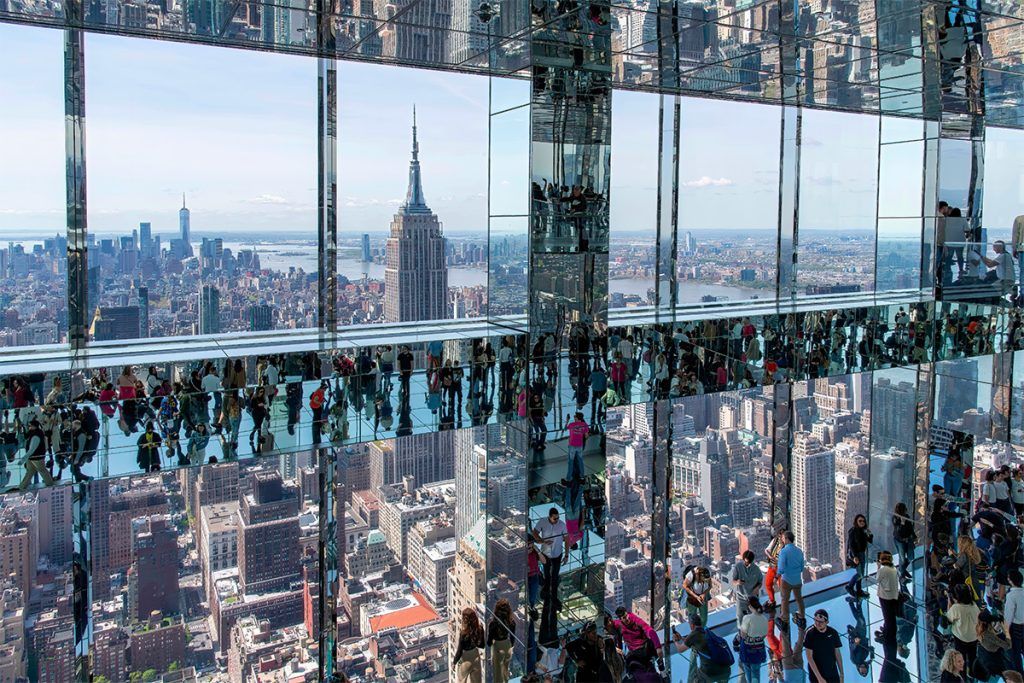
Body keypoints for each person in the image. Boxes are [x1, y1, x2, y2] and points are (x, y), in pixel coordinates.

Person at [671, 613, 732, 683]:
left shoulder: (693, 635)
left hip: (709, 672)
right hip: (724, 669)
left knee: (696, 678)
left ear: (692, 625)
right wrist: (681, 638)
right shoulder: (706, 631)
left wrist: (675, 641)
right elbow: (693, 643)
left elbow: (680, 649)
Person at [607, 607, 663, 672]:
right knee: (629, 663)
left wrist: (658, 647)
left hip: (644, 647)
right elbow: (610, 626)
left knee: (651, 645)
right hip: (634, 651)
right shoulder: (618, 624)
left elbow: (649, 630)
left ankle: (661, 665)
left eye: (626, 615)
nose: (627, 619)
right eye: (624, 618)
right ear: (620, 619)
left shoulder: (636, 620)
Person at [532, 508, 568, 607]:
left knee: (555, 575)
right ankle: (546, 592)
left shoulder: (562, 525)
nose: (556, 520)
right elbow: (534, 532)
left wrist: (566, 555)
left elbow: (567, 539)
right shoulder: (542, 522)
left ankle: (554, 597)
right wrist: (541, 541)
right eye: (554, 519)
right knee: (547, 574)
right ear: (549, 517)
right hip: (545, 554)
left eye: (558, 518)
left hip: (557, 554)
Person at [947, 583, 981, 673]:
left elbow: (948, 620)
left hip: (961, 638)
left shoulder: (956, 608)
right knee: (972, 656)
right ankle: (973, 672)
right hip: (974, 637)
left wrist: (949, 602)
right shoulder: (974, 605)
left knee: (961, 657)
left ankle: (963, 674)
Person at [803, 609, 843, 683]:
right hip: (816, 675)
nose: (817, 623)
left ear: (827, 622)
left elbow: (837, 653)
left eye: (820, 622)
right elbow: (809, 657)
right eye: (815, 621)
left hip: (832, 673)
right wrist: (819, 678)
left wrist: (841, 674)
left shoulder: (833, 633)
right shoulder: (810, 633)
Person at [777, 531, 806, 625]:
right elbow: (802, 566)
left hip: (786, 580)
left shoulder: (784, 551)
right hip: (797, 579)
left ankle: (784, 618)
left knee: (785, 599)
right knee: (799, 598)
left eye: (782, 538)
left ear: (786, 538)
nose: (782, 539)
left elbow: (781, 567)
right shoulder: (799, 550)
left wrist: (777, 575)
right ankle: (802, 616)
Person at [738, 597, 769, 683]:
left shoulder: (747, 618)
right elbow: (764, 635)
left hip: (748, 650)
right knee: (756, 672)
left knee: (748, 673)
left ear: (750, 606)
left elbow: (743, 635)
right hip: (759, 649)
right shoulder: (764, 619)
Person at [731, 550, 764, 627]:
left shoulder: (756, 569)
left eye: (748, 562)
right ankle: (741, 633)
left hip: (753, 598)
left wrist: (757, 588)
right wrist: (737, 582)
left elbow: (760, 581)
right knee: (740, 617)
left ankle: (752, 634)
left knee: (753, 618)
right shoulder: (738, 567)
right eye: (745, 562)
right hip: (741, 597)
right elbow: (733, 581)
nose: (746, 564)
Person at [452, 607, 485, 683]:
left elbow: (459, 651)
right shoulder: (480, 629)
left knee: (462, 680)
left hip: (465, 659)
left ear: (465, 620)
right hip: (476, 657)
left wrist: (454, 663)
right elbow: (482, 645)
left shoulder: (463, 634)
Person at [845, 514, 873, 599]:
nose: (862, 522)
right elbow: (851, 545)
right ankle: (849, 586)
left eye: (863, 521)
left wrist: (869, 533)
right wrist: (854, 556)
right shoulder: (852, 531)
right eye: (860, 521)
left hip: (862, 554)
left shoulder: (863, 531)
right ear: (856, 521)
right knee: (860, 574)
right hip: (856, 555)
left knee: (861, 573)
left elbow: (870, 541)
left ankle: (859, 590)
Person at [875, 550, 901, 641]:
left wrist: (878, 567)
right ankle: (887, 630)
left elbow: (877, 579)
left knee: (887, 616)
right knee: (890, 616)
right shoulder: (893, 568)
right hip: (893, 595)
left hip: (885, 596)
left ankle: (887, 635)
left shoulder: (883, 570)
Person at [488, 599, 515, 683]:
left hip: (497, 646)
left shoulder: (493, 624)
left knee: (497, 673)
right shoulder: (512, 622)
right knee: (505, 670)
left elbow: (489, 642)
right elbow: (512, 639)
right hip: (507, 645)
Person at [1005, 568, 1024, 675]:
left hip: (1016, 627)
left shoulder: (1011, 595)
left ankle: (1020, 676)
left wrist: (1006, 631)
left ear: (1010, 581)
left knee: (1015, 653)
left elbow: (1009, 615)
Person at [892, 502, 917, 580]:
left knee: (910, 557)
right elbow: (898, 532)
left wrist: (914, 536)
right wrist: (902, 523)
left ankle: (902, 570)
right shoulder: (895, 518)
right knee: (902, 559)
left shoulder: (907, 517)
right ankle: (902, 575)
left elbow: (910, 528)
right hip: (900, 541)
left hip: (908, 539)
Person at [565, 412, 589, 482]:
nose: (574, 418)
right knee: (580, 461)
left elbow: (565, 428)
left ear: (577, 418)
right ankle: (582, 476)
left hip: (572, 445)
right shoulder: (584, 425)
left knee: (571, 462)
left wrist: (567, 420)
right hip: (580, 445)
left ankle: (568, 478)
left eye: (575, 417)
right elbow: (586, 436)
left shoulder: (572, 424)